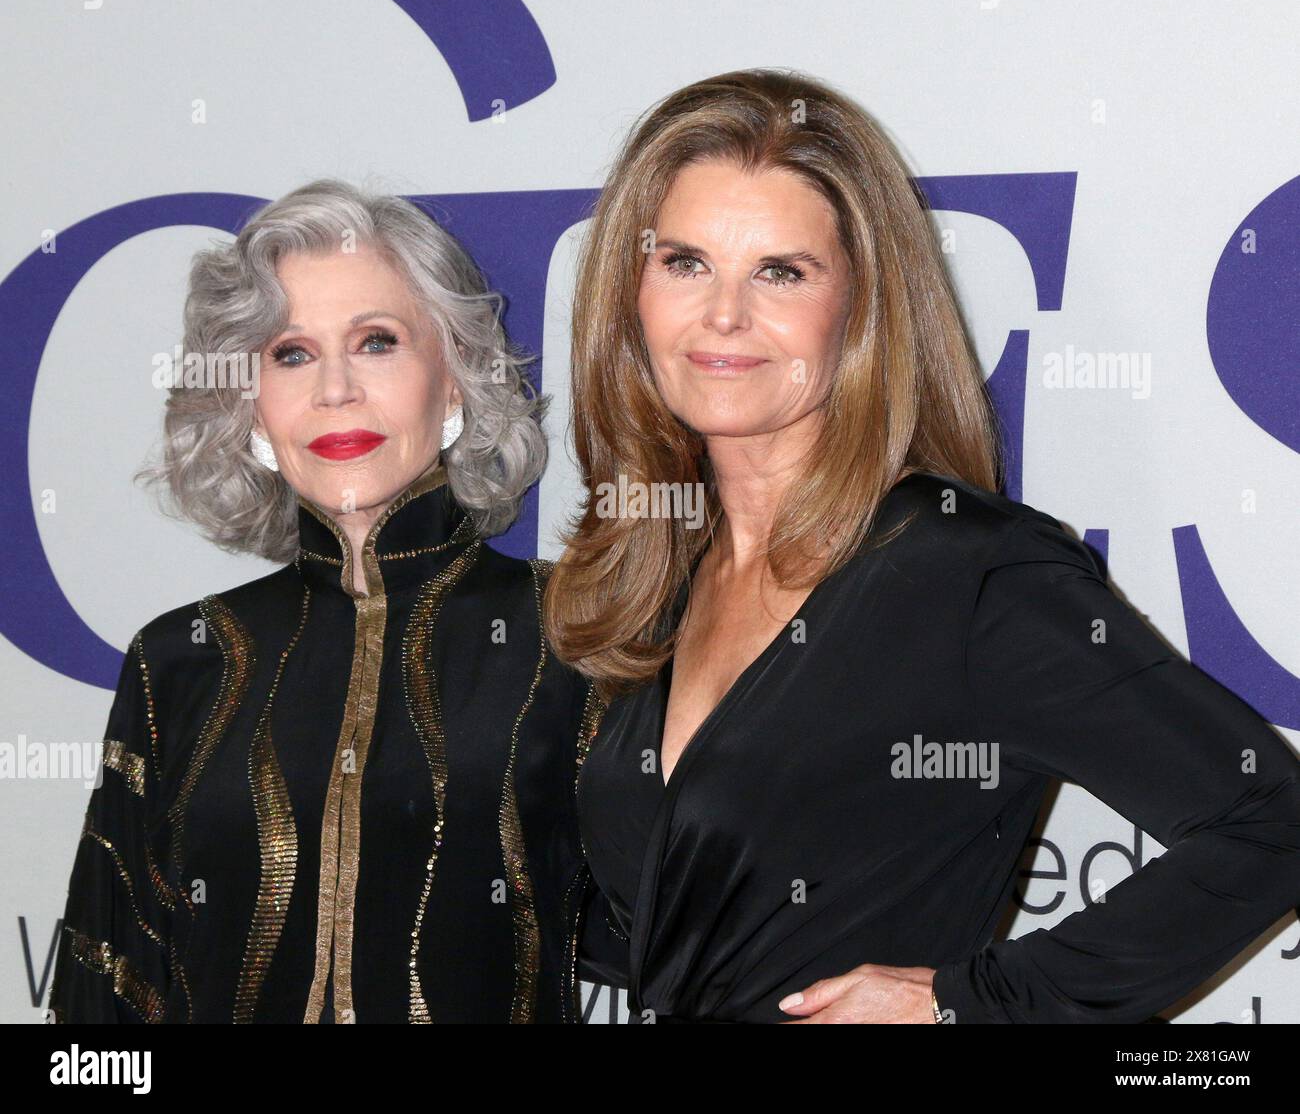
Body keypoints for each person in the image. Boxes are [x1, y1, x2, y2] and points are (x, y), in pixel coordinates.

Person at [546, 69, 1300, 1023]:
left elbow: (1270, 820)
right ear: (630, 289)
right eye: (685, 262)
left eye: (781, 271)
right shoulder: (657, 569)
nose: (723, 315)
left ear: (861, 307)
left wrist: (970, 1002)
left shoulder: (969, 572)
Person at [47, 179, 606, 1023]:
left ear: (453, 381)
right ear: (252, 407)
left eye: (376, 341)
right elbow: (105, 992)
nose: (335, 389)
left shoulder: (577, 629)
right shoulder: (182, 657)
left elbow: (696, 937)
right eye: (292, 353)